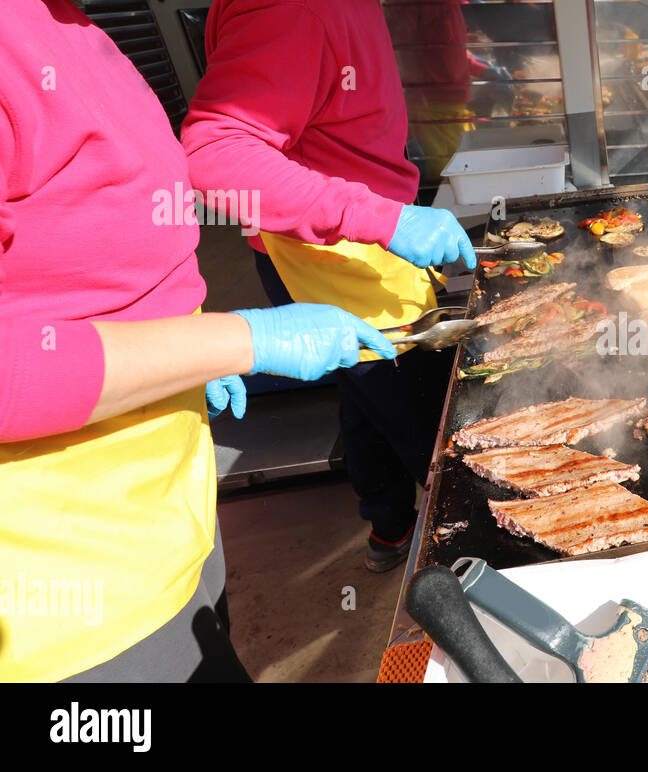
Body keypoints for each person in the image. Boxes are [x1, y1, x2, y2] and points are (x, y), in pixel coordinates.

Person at [1, 0, 399, 682]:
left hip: (166, 520)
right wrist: (233, 339)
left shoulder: (69, 22)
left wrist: (180, 342)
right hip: (63, 597)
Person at [182, 0, 479, 574]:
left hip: (317, 239)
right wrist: (385, 219)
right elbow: (214, 154)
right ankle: (465, 568)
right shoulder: (298, 6)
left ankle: (390, 525)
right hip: (347, 251)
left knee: (361, 386)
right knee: (434, 428)